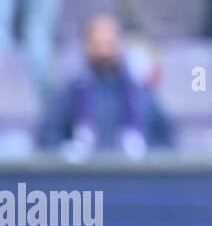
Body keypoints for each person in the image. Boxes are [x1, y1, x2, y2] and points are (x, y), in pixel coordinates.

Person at [38, 13, 174, 159]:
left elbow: (167, 141)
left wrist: (145, 152)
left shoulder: (140, 93)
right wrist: (67, 152)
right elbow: (48, 138)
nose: (104, 52)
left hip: (132, 178)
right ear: (85, 45)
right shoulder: (69, 93)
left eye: (109, 44)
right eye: (97, 44)